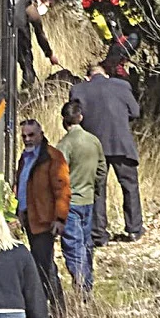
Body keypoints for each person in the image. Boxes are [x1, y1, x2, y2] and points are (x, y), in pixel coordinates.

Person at [68, 56, 143, 243]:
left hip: (93, 146)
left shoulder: (78, 90)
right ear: (106, 75)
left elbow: (73, 118)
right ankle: (134, 229)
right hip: (121, 143)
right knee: (129, 186)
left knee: (97, 189)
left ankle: (98, 234)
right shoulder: (122, 86)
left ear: (87, 77)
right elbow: (135, 112)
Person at [15, 119, 69, 314]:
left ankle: (57, 309)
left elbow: (62, 190)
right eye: (24, 136)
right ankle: (43, 306)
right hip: (30, 216)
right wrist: (19, 210)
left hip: (45, 219)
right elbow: (22, 185)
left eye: (31, 135)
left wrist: (60, 218)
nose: (27, 139)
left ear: (41, 134)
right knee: (39, 263)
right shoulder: (25, 157)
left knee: (45, 264)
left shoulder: (53, 158)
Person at [56, 101, 102, 298]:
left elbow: (58, 175)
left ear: (63, 120)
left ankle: (81, 287)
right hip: (88, 199)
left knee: (73, 245)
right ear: (80, 117)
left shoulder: (65, 144)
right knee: (86, 243)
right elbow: (101, 169)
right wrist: (95, 189)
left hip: (70, 202)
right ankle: (87, 283)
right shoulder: (94, 141)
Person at [13, 0, 59, 87]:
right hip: (20, 37)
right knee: (27, 64)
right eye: (47, 6)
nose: (45, 10)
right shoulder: (30, 7)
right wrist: (50, 54)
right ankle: (26, 91)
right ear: (41, 0)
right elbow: (40, 34)